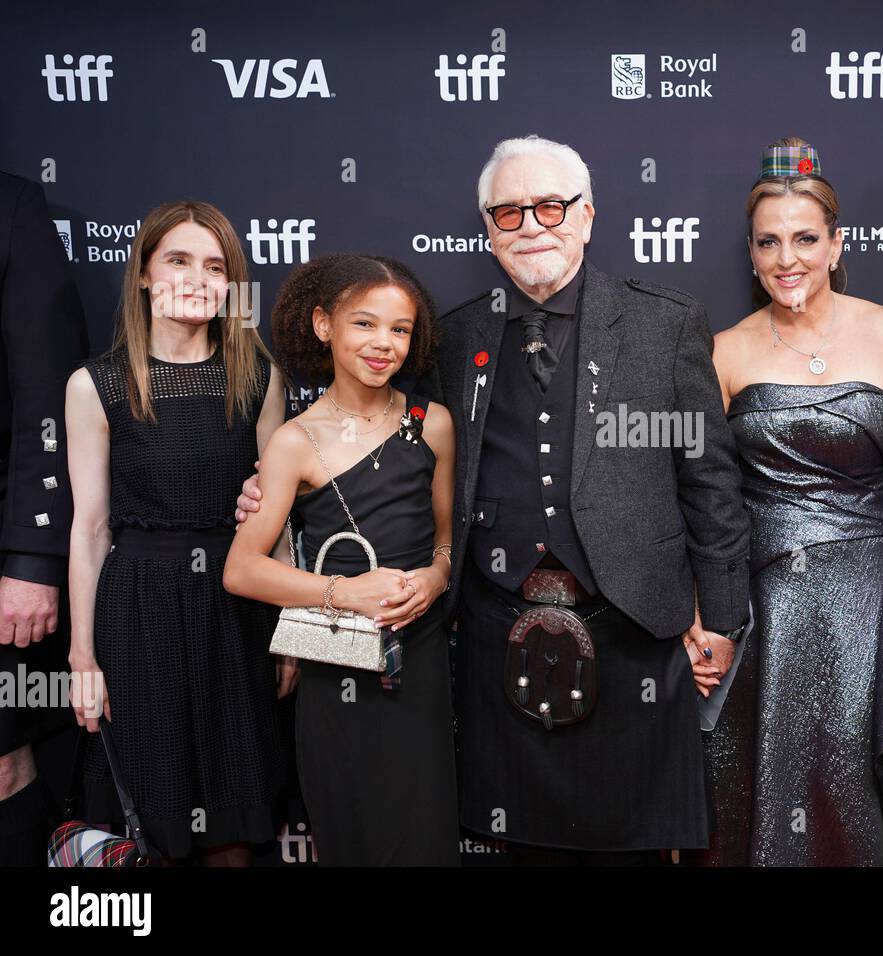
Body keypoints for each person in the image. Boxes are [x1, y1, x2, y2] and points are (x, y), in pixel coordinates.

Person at [420, 134, 749, 863]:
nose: (531, 226)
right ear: (488, 229)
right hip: (496, 630)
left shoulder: (664, 323)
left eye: (551, 206)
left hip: (634, 629)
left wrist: (724, 617)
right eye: (509, 212)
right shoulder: (456, 336)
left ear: (588, 215)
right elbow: (414, 457)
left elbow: (710, 481)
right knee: (518, 845)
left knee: (632, 846)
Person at [690, 138, 883, 865]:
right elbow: (703, 498)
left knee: (859, 791)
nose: (787, 258)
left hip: (875, 600)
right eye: (769, 242)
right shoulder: (724, 350)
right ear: (751, 254)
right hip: (765, 604)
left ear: (836, 244)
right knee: (767, 784)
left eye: (804, 239)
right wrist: (700, 613)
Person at [65, 201, 282, 864]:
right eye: (178, 260)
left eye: (215, 266)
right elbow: (90, 529)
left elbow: (276, 520)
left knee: (235, 825)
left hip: (235, 610)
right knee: (152, 821)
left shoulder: (258, 378)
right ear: (143, 274)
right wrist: (83, 658)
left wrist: (291, 634)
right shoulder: (95, 385)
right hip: (137, 614)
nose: (197, 278)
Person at [224, 253, 459, 865]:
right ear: (324, 324)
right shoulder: (295, 441)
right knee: (353, 835)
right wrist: (343, 592)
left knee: (425, 836)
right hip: (337, 667)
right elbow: (241, 570)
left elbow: (446, 541)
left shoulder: (431, 424)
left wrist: (435, 578)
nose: (384, 343)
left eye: (400, 329)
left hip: (420, 664)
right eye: (364, 324)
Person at [0, 173, 88, 865]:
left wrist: (32, 560)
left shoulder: (10, 207)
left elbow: (45, 398)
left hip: (2, 561)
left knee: (1, 765)